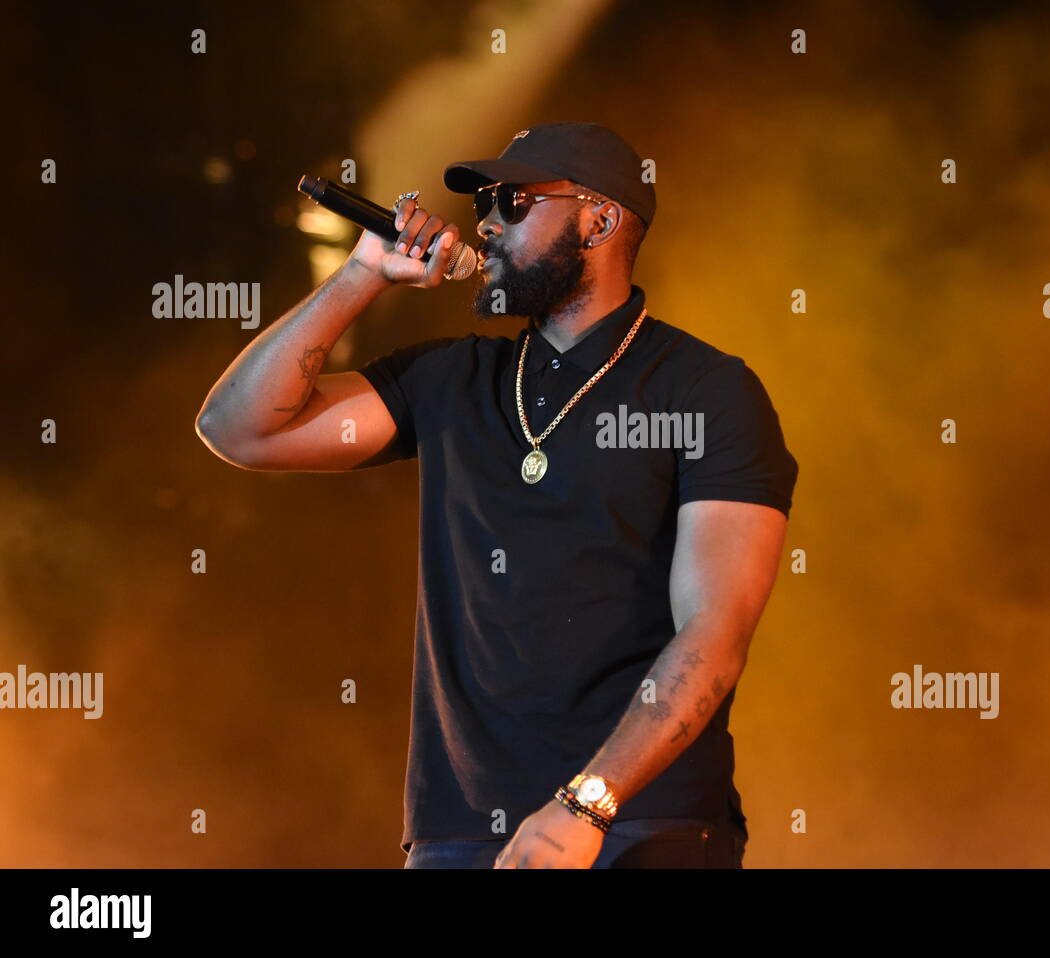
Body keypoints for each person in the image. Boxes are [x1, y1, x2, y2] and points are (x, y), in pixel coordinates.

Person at [195, 122, 798, 868]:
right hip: (462, 833)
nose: (484, 222)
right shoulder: (450, 379)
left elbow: (714, 632)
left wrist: (587, 804)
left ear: (600, 219)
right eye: (484, 202)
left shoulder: (705, 390)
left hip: (644, 827)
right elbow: (238, 429)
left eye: (512, 200)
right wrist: (363, 276)